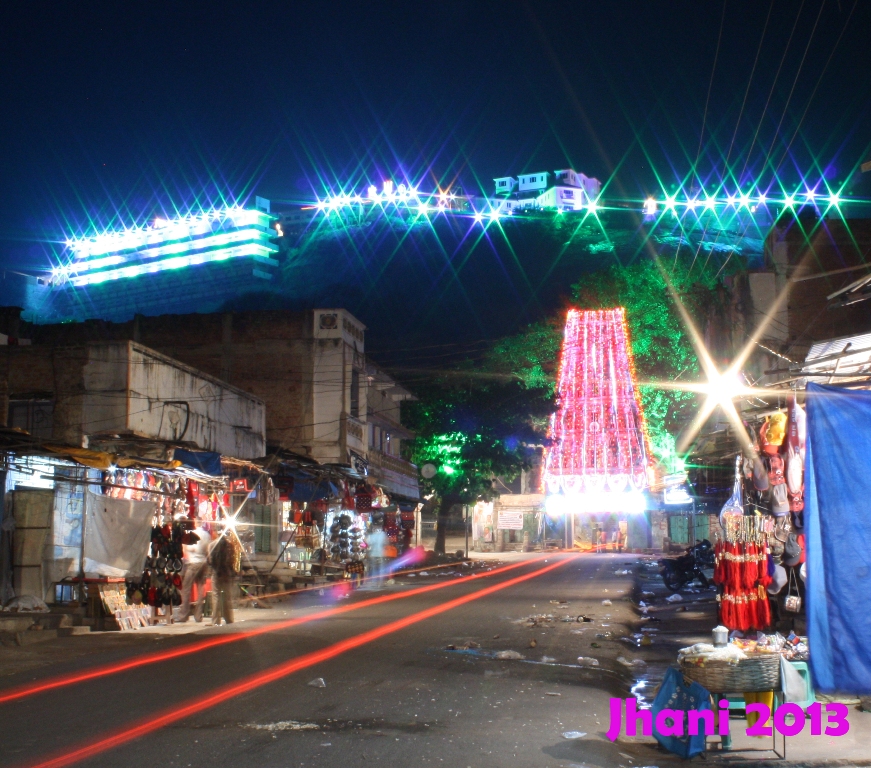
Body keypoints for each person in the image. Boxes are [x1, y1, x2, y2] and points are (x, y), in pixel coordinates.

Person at [175, 524, 212, 622]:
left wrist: (185, 547)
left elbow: (192, 549)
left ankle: (184, 615)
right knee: (200, 589)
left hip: (193, 563)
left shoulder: (192, 534)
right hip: (203, 563)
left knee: (186, 589)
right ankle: (198, 615)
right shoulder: (207, 535)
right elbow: (208, 550)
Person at [207, 527, 241, 625]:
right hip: (227, 574)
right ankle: (229, 619)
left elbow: (209, 561)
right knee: (227, 597)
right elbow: (232, 561)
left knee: (216, 597)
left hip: (216, 573)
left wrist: (214, 569)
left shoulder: (211, 545)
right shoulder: (230, 545)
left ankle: (215, 620)